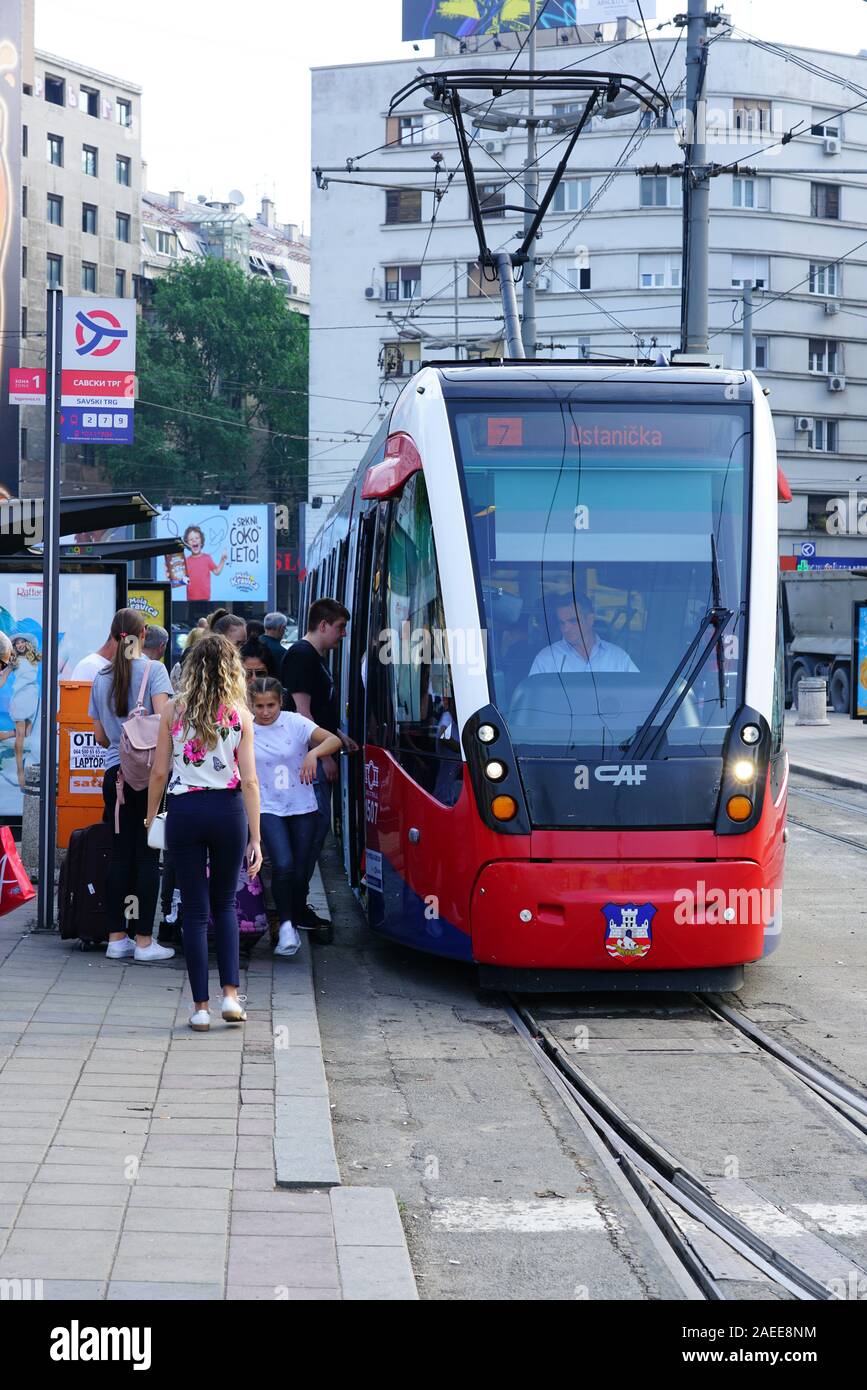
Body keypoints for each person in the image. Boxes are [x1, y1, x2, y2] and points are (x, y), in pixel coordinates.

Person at [145, 633, 262, 1031]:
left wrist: (150, 816)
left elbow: (159, 771)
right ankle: (231, 996)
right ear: (232, 670)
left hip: (185, 811)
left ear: (192, 667)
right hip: (229, 811)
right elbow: (250, 781)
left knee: (193, 911)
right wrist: (257, 837)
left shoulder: (174, 711)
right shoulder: (240, 715)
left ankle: (199, 1008)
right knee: (225, 904)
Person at [89, 608, 175, 962]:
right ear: (143, 635)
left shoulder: (100, 676)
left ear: (115, 636)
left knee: (120, 855)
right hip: (149, 775)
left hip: (115, 777)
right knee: (147, 857)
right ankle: (143, 940)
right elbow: (164, 724)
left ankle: (115, 937)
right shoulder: (155, 671)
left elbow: (99, 736)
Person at [281, 597, 357, 938]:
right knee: (312, 831)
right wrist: (324, 754)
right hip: (307, 762)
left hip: (315, 753)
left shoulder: (312, 657)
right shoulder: (301, 656)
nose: (342, 636)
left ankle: (296, 906)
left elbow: (317, 713)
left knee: (315, 831)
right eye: (339, 628)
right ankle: (294, 907)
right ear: (323, 625)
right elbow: (302, 715)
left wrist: (339, 734)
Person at [249, 677, 341, 957]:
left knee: (301, 871)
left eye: (271, 705)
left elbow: (333, 740)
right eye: (259, 706)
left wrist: (314, 753)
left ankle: (294, 914)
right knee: (284, 864)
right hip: (267, 806)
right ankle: (286, 925)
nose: (265, 712)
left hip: (302, 804)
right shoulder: (245, 728)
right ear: (250, 704)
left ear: (280, 702)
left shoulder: (294, 722)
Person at [529, 593, 639, 676]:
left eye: (573, 621)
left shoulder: (618, 657)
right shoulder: (546, 659)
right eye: (562, 623)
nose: (566, 628)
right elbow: (534, 700)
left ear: (590, 619)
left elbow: (636, 695)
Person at [0, 635, 42, 791]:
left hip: (32, 696)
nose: (20, 645)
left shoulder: (34, 657)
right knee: (20, 736)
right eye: (16, 643)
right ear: (14, 646)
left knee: (26, 733)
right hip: (19, 698)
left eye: (22, 641)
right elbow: (3, 678)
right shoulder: (13, 662)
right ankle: (20, 772)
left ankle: (2, 735)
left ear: (27, 643)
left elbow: (56, 660)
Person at [183, 525, 227, 603]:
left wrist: (222, 560)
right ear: (187, 543)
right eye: (191, 539)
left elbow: (216, 571)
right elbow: (182, 580)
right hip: (190, 599)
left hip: (205, 599)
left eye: (197, 538)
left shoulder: (207, 558)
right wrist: (170, 572)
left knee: (207, 615)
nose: (194, 541)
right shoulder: (186, 561)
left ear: (201, 541)